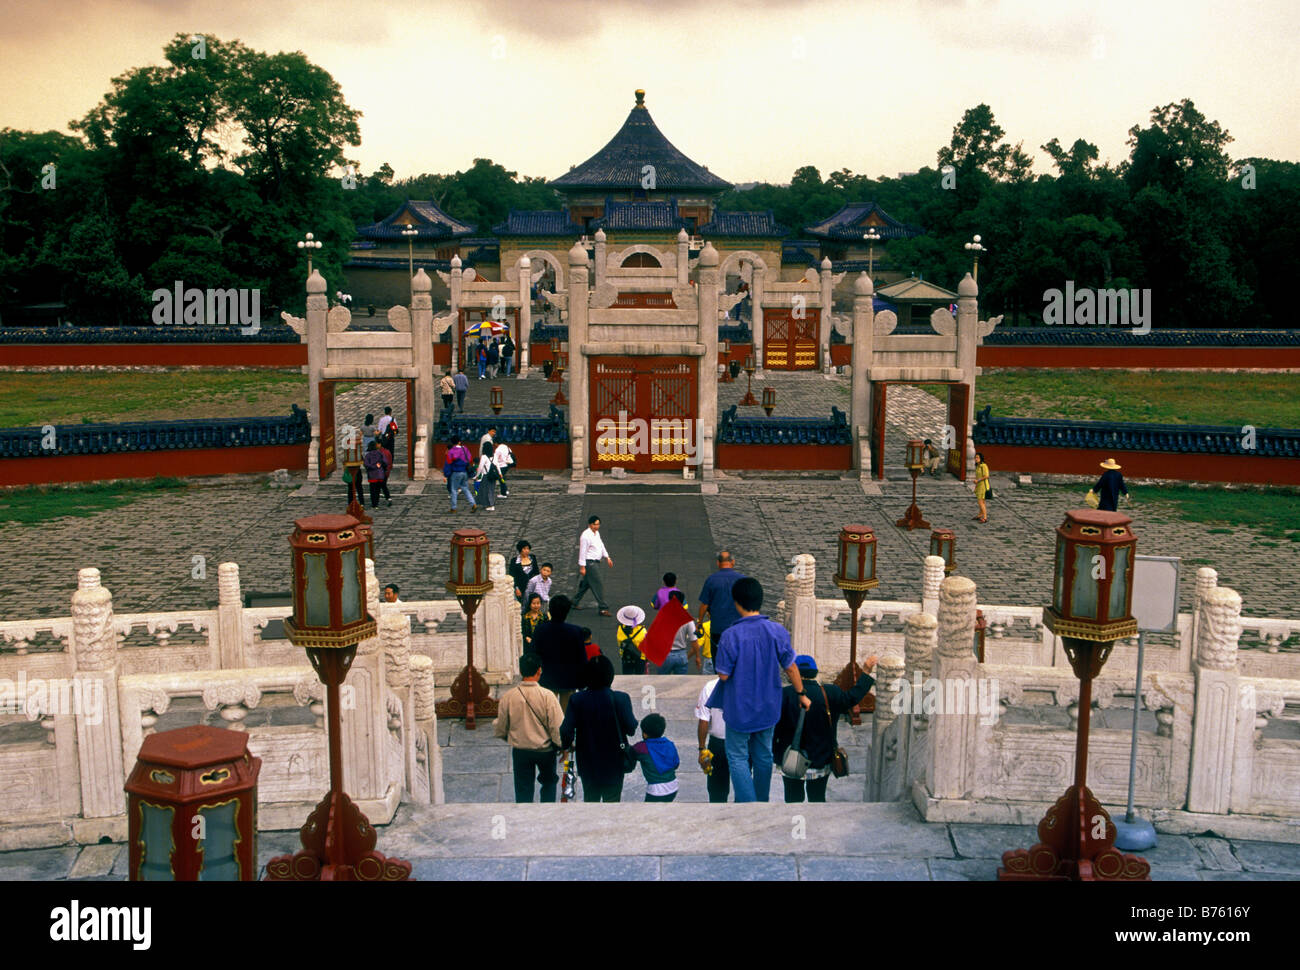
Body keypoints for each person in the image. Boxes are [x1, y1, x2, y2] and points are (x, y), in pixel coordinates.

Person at [712, 576, 810, 803]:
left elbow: (724, 675)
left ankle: (747, 804)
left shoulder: (730, 635)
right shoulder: (776, 631)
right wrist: (801, 694)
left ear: (736, 603)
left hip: (739, 708)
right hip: (768, 706)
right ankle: (762, 800)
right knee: (764, 754)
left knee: (737, 755)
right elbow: (791, 667)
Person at [773, 654, 875, 803]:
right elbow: (852, 697)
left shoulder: (785, 694)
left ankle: (795, 825)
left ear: (796, 673)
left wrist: (776, 752)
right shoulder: (830, 692)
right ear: (815, 672)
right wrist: (865, 671)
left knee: (792, 800)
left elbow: (775, 727)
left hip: (790, 759)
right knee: (817, 798)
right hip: (820, 758)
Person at [560, 654, 638, 803]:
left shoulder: (577, 699)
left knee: (591, 800)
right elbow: (631, 728)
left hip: (588, 761)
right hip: (614, 762)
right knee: (613, 801)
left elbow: (565, 730)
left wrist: (567, 745)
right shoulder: (620, 698)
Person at [493, 653, 565, 803]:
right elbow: (556, 727)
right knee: (549, 783)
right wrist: (562, 747)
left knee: (523, 789)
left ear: (521, 671)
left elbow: (501, 727)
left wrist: (512, 736)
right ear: (539, 670)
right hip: (545, 750)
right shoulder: (547, 696)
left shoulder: (509, 696)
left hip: (521, 751)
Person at [532, 594, 587, 712]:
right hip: (568, 680)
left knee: (548, 712)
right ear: (567, 612)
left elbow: (534, 654)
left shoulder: (540, 630)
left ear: (550, 610)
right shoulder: (575, 631)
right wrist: (582, 682)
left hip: (547, 678)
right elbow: (581, 658)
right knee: (566, 713)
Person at [697, 550, 745, 649]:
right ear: (733, 562)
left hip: (717, 629)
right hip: (737, 629)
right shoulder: (742, 580)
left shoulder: (711, 580)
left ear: (718, 563)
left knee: (718, 659)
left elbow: (704, 605)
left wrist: (700, 622)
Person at [695, 676, 730, 802]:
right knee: (743, 785)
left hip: (718, 743)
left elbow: (704, 720)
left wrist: (702, 749)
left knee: (717, 789)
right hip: (743, 742)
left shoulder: (710, 686)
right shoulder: (748, 682)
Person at [632, 713, 680, 802]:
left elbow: (630, 755)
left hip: (656, 790)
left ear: (645, 734)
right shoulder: (670, 744)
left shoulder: (641, 747)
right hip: (673, 786)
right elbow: (676, 764)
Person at [572, 515, 613, 617]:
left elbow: (601, 544)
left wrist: (607, 557)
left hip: (595, 561)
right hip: (590, 563)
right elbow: (582, 552)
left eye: (598, 524)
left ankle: (573, 602)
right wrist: (582, 567)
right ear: (590, 524)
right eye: (595, 524)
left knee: (586, 584)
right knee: (598, 584)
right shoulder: (585, 536)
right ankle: (603, 608)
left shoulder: (596, 533)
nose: (597, 526)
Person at [656, 591, 696, 675]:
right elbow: (694, 641)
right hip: (681, 655)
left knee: (662, 683)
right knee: (681, 684)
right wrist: (693, 657)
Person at [444, 435, 477, 513]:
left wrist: (446, 474)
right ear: (459, 441)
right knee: (465, 488)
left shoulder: (451, 451)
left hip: (456, 472)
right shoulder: (465, 449)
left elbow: (448, 464)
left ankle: (453, 507)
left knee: (454, 490)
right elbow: (470, 458)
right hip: (465, 472)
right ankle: (473, 504)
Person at [616, 605, 648, 675]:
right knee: (639, 677)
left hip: (626, 656)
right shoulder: (643, 631)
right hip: (640, 658)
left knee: (627, 675)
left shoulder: (620, 629)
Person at [363, 440, 389, 510]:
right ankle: (376, 504)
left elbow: (366, 464)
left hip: (372, 475)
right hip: (380, 474)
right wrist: (379, 466)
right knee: (378, 490)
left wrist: (373, 466)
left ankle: (374, 504)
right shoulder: (380, 453)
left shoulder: (368, 455)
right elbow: (385, 462)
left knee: (372, 490)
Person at [472, 441, 497, 512]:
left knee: (487, 490)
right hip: (493, 476)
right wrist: (500, 474)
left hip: (486, 475)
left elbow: (480, 467)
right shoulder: (494, 456)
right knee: (491, 490)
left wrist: (477, 475)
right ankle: (485, 503)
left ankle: (490, 505)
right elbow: (497, 465)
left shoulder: (484, 457)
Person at [973, 452, 991, 524]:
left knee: (980, 502)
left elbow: (986, 476)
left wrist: (978, 480)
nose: (976, 459)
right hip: (979, 486)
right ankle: (980, 514)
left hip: (983, 486)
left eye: (977, 458)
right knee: (982, 501)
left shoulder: (983, 466)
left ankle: (985, 517)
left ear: (981, 459)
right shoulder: (978, 466)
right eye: (975, 457)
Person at [376, 437, 394, 507]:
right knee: (382, 485)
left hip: (382, 471)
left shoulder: (381, 453)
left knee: (382, 485)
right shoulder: (387, 451)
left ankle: (387, 498)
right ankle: (386, 498)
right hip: (386, 471)